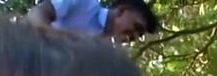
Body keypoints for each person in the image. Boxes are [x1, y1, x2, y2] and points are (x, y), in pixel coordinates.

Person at [26, 0, 159, 43]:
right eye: (136, 27)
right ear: (121, 11)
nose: (134, 36)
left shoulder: (104, 53)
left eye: (139, 35)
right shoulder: (85, 3)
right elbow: (36, 14)